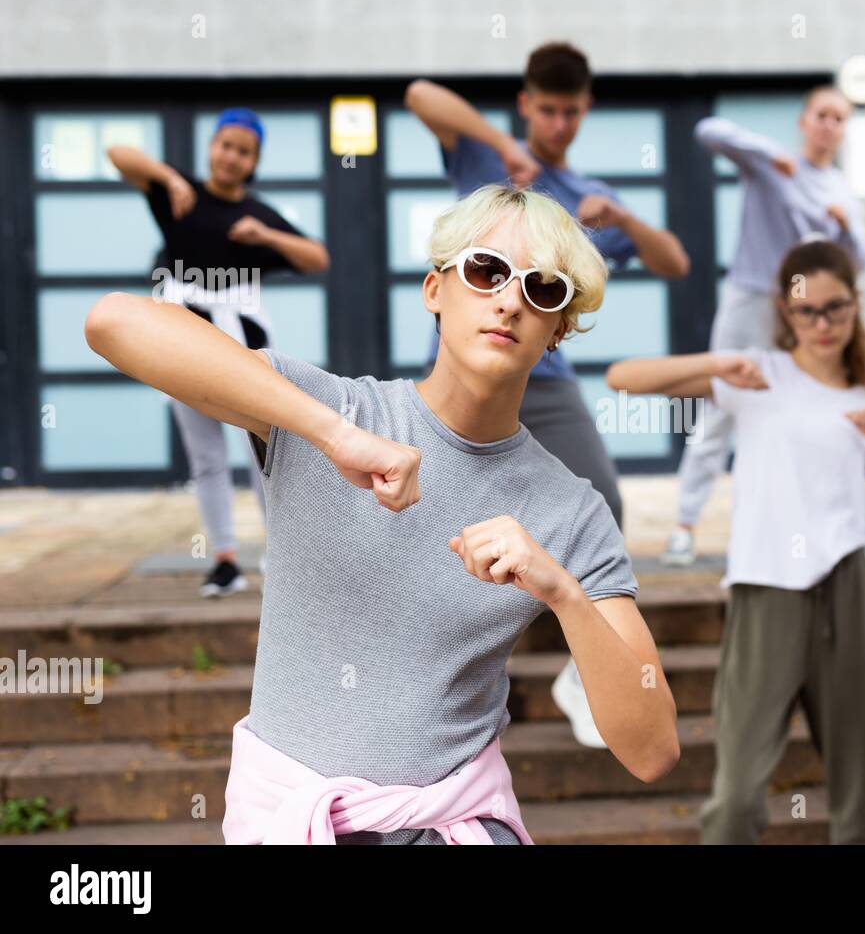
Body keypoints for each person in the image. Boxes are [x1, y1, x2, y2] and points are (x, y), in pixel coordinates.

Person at [85, 184, 680, 845]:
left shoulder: (571, 509)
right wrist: (332, 433)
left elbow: (652, 749)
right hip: (290, 820)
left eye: (542, 288)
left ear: (556, 330)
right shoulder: (329, 412)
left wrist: (565, 594)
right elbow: (114, 321)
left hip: (448, 826)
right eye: (487, 270)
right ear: (435, 290)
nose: (510, 299)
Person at [608, 240, 865, 844]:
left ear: (855, 305)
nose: (822, 324)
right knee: (736, 798)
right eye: (806, 311)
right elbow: (622, 379)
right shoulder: (756, 374)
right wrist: (716, 363)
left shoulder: (863, 404)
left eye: (835, 308)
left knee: (859, 794)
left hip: (846, 592)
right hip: (766, 594)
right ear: (786, 313)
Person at [405, 42, 690, 749]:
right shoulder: (485, 162)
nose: (559, 125)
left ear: (584, 111)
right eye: (547, 110)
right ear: (527, 103)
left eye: (571, 113)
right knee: (417, 494)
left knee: (605, 501)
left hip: (545, 381)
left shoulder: (591, 192)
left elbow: (675, 260)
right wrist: (503, 143)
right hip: (463, 374)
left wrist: (621, 221)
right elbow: (417, 93)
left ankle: (575, 661)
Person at [106, 108, 330, 597]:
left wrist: (265, 236)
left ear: (253, 162)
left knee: (264, 449)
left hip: (242, 340)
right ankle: (225, 560)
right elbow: (118, 154)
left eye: (243, 151)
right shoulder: (178, 194)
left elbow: (317, 257)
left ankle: (282, 559)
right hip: (183, 338)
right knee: (205, 456)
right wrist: (169, 178)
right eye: (225, 145)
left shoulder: (256, 213)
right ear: (213, 147)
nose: (231, 157)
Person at [662, 85, 865, 567]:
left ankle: (829, 529)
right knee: (720, 405)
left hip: (803, 311)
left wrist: (849, 227)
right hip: (751, 297)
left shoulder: (840, 187)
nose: (829, 125)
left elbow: (861, 259)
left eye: (839, 119)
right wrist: (768, 152)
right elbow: (708, 131)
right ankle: (684, 527)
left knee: (807, 407)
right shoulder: (770, 163)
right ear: (804, 121)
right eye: (821, 115)